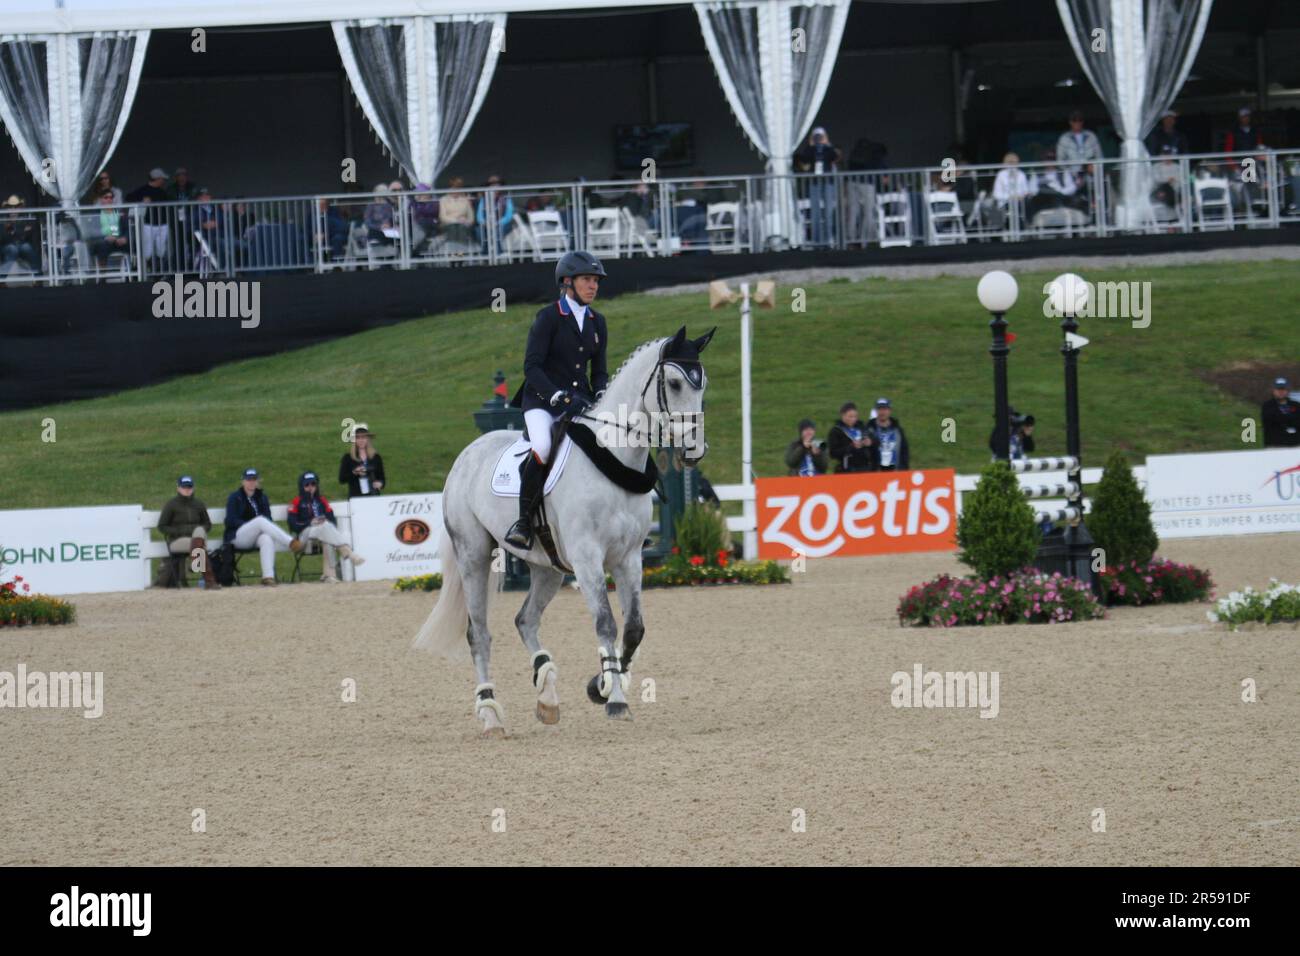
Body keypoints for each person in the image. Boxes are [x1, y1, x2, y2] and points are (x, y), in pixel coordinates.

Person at [505, 250, 610, 548]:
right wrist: (557, 396)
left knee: (608, 443)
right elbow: (532, 367)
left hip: (580, 402)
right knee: (542, 446)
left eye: (596, 281)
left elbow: (599, 371)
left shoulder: (597, 322)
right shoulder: (549, 317)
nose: (594, 286)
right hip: (541, 401)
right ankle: (524, 522)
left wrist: (601, 393)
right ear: (567, 282)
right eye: (587, 280)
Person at [223, 468, 302, 586]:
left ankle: (268, 577)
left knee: (266, 538)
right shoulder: (235, 497)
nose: (251, 482)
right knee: (259, 521)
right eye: (248, 479)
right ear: (243, 481)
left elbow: (268, 519)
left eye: (254, 479)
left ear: (257, 481)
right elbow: (230, 520)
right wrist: (251, 525)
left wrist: (257, 528)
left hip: (256, 537)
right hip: (237, 537)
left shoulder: (262, 497)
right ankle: (290, 542)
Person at [287, 471, 365, 582]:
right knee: (325, 527)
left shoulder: (322, 500)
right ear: (302, 486)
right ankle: (348, 552)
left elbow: (332, 520)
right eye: (307, 485)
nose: (310, 487)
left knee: (326, 531)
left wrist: (322, 522)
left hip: (322, 534)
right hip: (304, 536)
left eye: (313, 484)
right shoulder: (296, 501)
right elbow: (292, 524)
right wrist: (310, 522)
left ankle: (329, 576)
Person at [156, 475, 221, 589]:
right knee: (199, 546)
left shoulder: (199, 504)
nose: (187, 490)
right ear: (178, 488)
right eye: (184, 487)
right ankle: (209, 581)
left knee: (199, 532)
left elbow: (207, 524)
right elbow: (162, 526)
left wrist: (197, 530)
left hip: (197, 539)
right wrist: (179, 531)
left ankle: (196, 564)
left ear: (193, 488)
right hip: (177, 540)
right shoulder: (171, 505)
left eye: (189, 487)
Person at [795, 126, 842, 246]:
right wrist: (811, 145)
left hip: (827, 181)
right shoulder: (810, 150)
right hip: (814, 182)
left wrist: (827, 144)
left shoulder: (828, 150)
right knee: (815, 212)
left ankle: (829, 238)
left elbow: (836, 157)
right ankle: (817, 240)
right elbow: (804, 159)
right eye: (816, 137)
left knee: (828, 212)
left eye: (820, 136)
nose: (818, 139)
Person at [126, 167, 171, 271]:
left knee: (161, 248)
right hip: (148, 224)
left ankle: (159, 270)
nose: (163, 181)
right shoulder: (143, 190)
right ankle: (148, 268)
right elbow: (128, 197)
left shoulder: (163, 192)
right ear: (157, 178)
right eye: (162, 178)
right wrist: (141, 200)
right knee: (148, 249)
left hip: (163, 224)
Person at [338, 423, 386, 498]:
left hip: (373, 496)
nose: (361, 440)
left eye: (363, 437)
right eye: (358, 438)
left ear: (368, 439)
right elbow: (342, 479)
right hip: (356, 496)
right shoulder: (348, 458)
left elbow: (382, 478)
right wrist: (354, 473)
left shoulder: (376, 457)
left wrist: (380, 483)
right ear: (355, 440)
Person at [86, 191, 130, 267]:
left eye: (111, 197)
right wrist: (105, 237)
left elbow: (127, 228)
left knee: (133, 244)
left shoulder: (119, 213)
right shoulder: (96, 214)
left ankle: (134, 272)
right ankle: (103, 273)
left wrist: (125, 238)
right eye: (106, 197)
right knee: (102, 246)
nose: (109, 199)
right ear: (101, 200)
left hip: (118, 240)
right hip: (103, 241)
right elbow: (92, 231)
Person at [826, 402, 873, 473]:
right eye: (850, 416)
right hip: (847, 470)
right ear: (843, 415)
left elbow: (876, 441)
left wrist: (870, 442)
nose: (853, 419)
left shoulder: (862, 427)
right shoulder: (836, 431)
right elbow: (833, 453)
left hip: (865, 468)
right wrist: (851, 447)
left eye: (855, 416)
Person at [864, 398, 909, 471]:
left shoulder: (898, 430)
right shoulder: (868, 430)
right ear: (876, 411)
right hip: (875, 473)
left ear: (890, 411)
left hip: (895, 471)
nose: (882, 412)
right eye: (879, 409)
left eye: (885, 409)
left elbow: (904, 452)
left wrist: (903, 469)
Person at [1262, 377, 1299, 447]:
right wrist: (1289, 419)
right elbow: (1270, 422)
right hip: (1275, 446)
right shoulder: (1267, 406)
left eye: (1283, 389)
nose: (1281, 392)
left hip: (1295, 445)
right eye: (1278, 389)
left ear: (1287, 390)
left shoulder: (1296, 405)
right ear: (1273, 390)